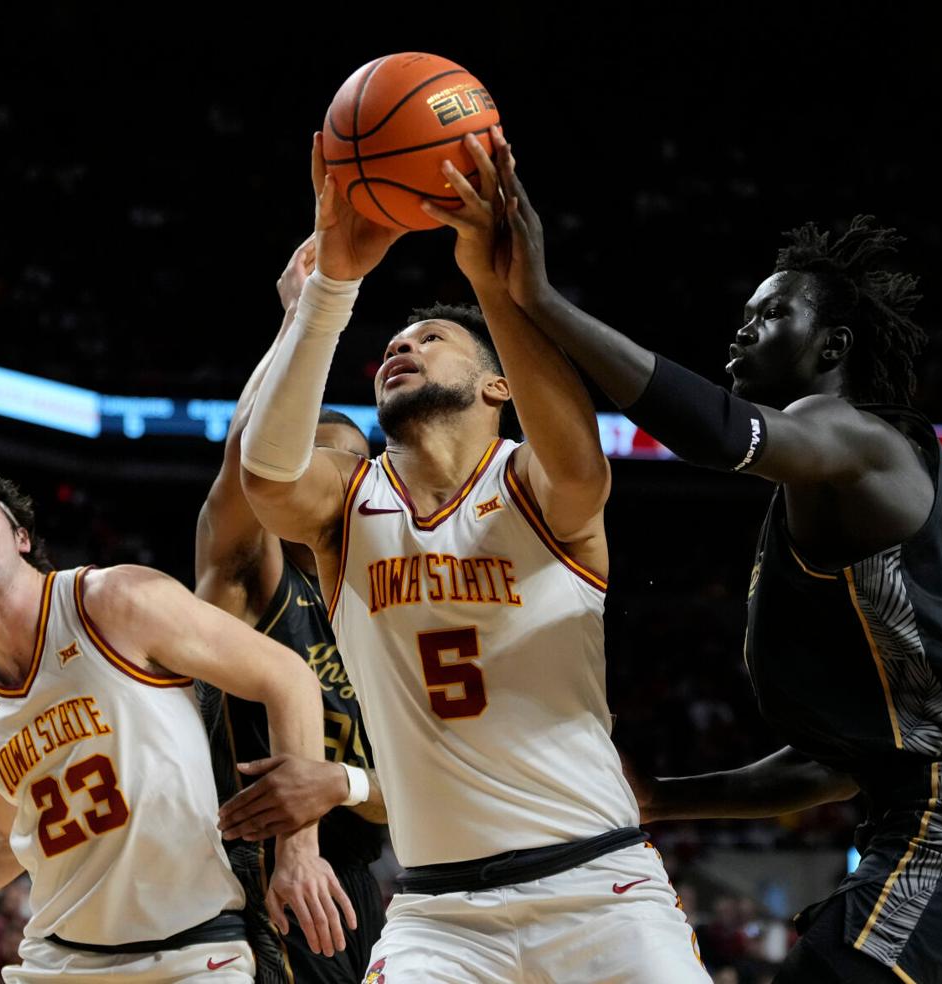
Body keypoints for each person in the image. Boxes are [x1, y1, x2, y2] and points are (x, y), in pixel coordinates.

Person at [492, 133, 942, 984]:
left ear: (832, 347)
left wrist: (540, 300)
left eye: (773, 314)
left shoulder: (857, 439)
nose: (746, 324)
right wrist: (661, 796)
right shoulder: (820, 491)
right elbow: (825, 767)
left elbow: (719, 431)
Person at [235, 130, 708, 982]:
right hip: (440, 917)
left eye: (430, 339)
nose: (400, 348)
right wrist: (329, 289)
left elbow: (580, 463)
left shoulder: (533, 484)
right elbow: (265, 477)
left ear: (499, 387)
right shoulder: (348, 500)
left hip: (598, 886)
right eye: (392, 346)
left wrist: (492, 285)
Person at [0, 454, 356, 983]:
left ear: (21, 536)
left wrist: (299, 850)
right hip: (58, 962)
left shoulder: (112, 600)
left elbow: (288, 678)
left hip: (192, 953)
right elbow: (10, 842)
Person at [193, 236, 387, 983]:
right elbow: (247, 461)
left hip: (360, 884)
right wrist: (301, 322)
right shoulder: (254, 578)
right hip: (246, 866)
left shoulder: (391, 610)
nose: (320, 477)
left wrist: (342, 787)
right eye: (306, 458)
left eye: (341, 463)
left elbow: (404, 804)